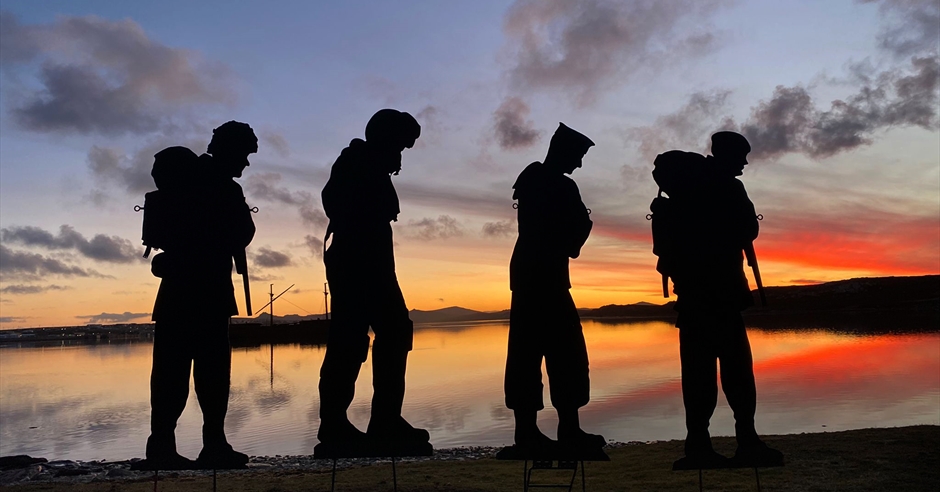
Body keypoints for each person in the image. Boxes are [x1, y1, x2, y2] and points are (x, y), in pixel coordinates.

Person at [136, 121, 257, 470]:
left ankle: (164, 445)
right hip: (206, 291)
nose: (246, 163)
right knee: (210, 374)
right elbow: (242, 233)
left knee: (173, 374)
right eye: (245, 154)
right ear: (229, 149)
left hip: (179, 291)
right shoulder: (221, 188)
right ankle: (210, 445)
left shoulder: (189, 181)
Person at [317, 109, 430, 453]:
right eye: (402, 145)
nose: (403, 153)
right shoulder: (356, 164)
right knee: (349, 341)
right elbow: (338, 207)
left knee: (393, 332)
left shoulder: (370, 166)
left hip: (374, 264)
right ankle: (335, 424)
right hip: (357, 264)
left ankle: (384, 420)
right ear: (386, 138)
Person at [670, 131, 783, 468]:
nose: (745, 162)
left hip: (691, 297)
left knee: (697, 374)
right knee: (738, 373)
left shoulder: (687, 186)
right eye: (741, 155)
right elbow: (749, 228)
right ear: (725, 154)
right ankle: (746, 441)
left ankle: (698, 445)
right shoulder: (728, 187)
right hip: (722, 295)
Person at [504, 123, 605, 451]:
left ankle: (547, 431)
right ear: (563, 151)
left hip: (533, 276)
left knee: (536, 354)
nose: (578, 164)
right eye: (577, 156)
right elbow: (570, 238)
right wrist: (582, 225)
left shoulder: (532, 181)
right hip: (544, 278)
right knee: (560, 354)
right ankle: (553, 431)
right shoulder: (558, 185)